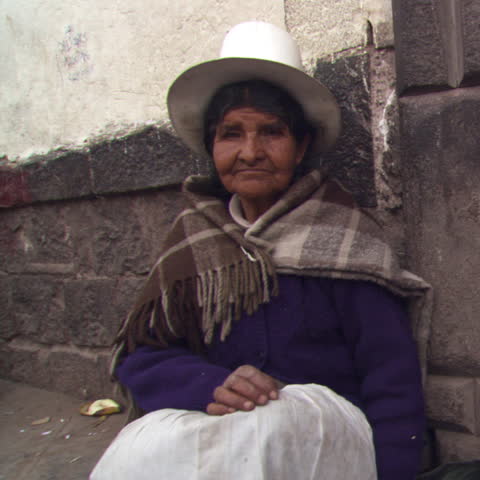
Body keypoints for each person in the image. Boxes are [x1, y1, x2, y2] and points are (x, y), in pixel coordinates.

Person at [91, 21, 432, 480]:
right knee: (136, 450)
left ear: (301, 145)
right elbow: (141, 357)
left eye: (271, 132)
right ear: (212, 146)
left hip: (325, 439)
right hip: (225, 433)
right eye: (231, 133)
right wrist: (210, 384)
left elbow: (392, 380)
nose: (250, 151)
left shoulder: (345, 236)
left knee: (268, 426)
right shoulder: (193, 238)